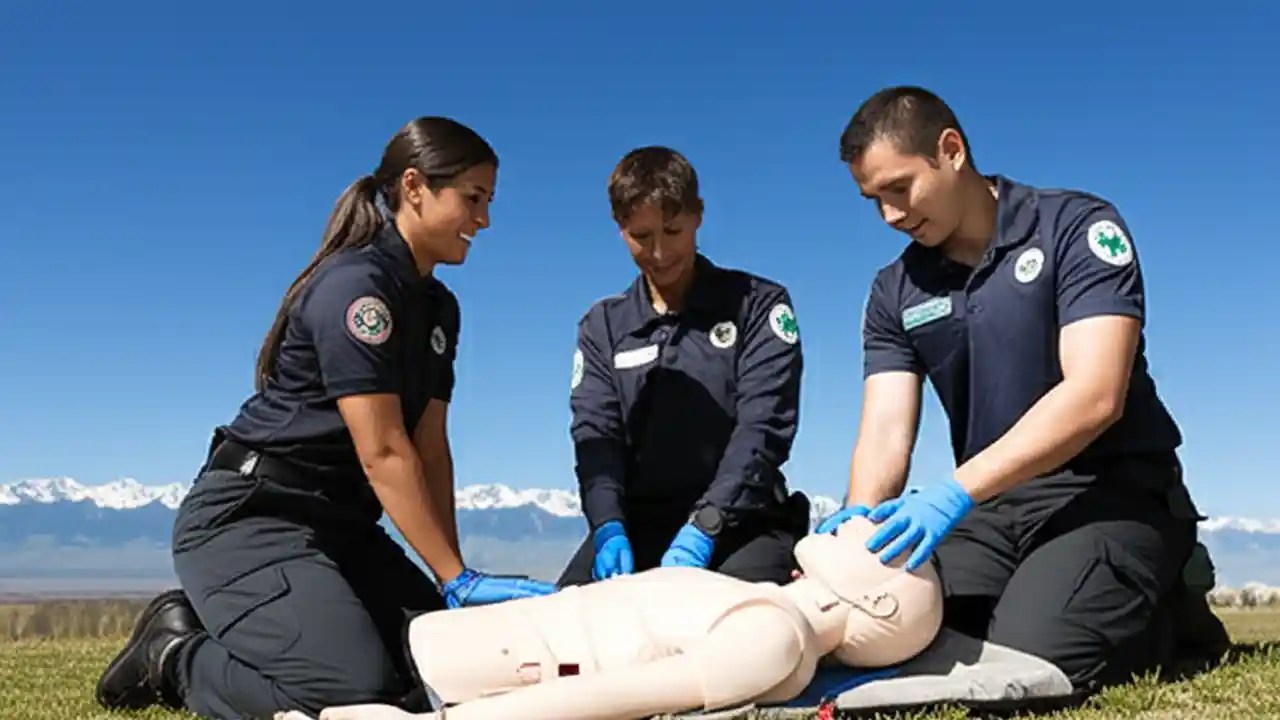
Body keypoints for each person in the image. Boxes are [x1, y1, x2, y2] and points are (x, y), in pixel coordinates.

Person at [94, 116, 557, 720]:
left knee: (443, 670)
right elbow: (384, 453)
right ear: (414, 186)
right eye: (473, 199)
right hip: (253, 518)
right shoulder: (357, 289)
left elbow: (430, 448)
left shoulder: (440, 308)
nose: (484, 220)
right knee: (348, 693)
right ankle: (176, 656)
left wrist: (453, 581)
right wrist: (454, 576)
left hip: (341, 529)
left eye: (489, 201)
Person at [816, 86, 1228, 696]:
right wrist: (856, 540)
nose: (890, 216)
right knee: (904, 629)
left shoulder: (1073, 227)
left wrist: (953, 491)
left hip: (1107, 491)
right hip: (993, 505)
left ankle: (1172, 604)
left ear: (950, 151)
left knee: (1026, 659)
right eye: (872, 200)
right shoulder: (894, 291)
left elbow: (1095, 396)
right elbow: (883, 430)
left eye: (899, 188)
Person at [296, 515, 944, 720]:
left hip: (435, 677)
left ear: (880, 603)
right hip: (437, 656)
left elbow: (601, 698)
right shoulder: (769, 621)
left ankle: (189, 654)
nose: (857, 525)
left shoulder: (772, 636)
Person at [558, 146, 810, 589]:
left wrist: (707, 524)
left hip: (743, 523)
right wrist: (607, 526)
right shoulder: (602, 327)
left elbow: (763, 428)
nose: (659, 253)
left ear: (699, 216)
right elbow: (595, 436)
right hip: (637, 528)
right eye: (641, 236)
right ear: (620, 230)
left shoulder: (758, 305)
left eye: (672, 231)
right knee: (561, 631)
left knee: (732, 629)